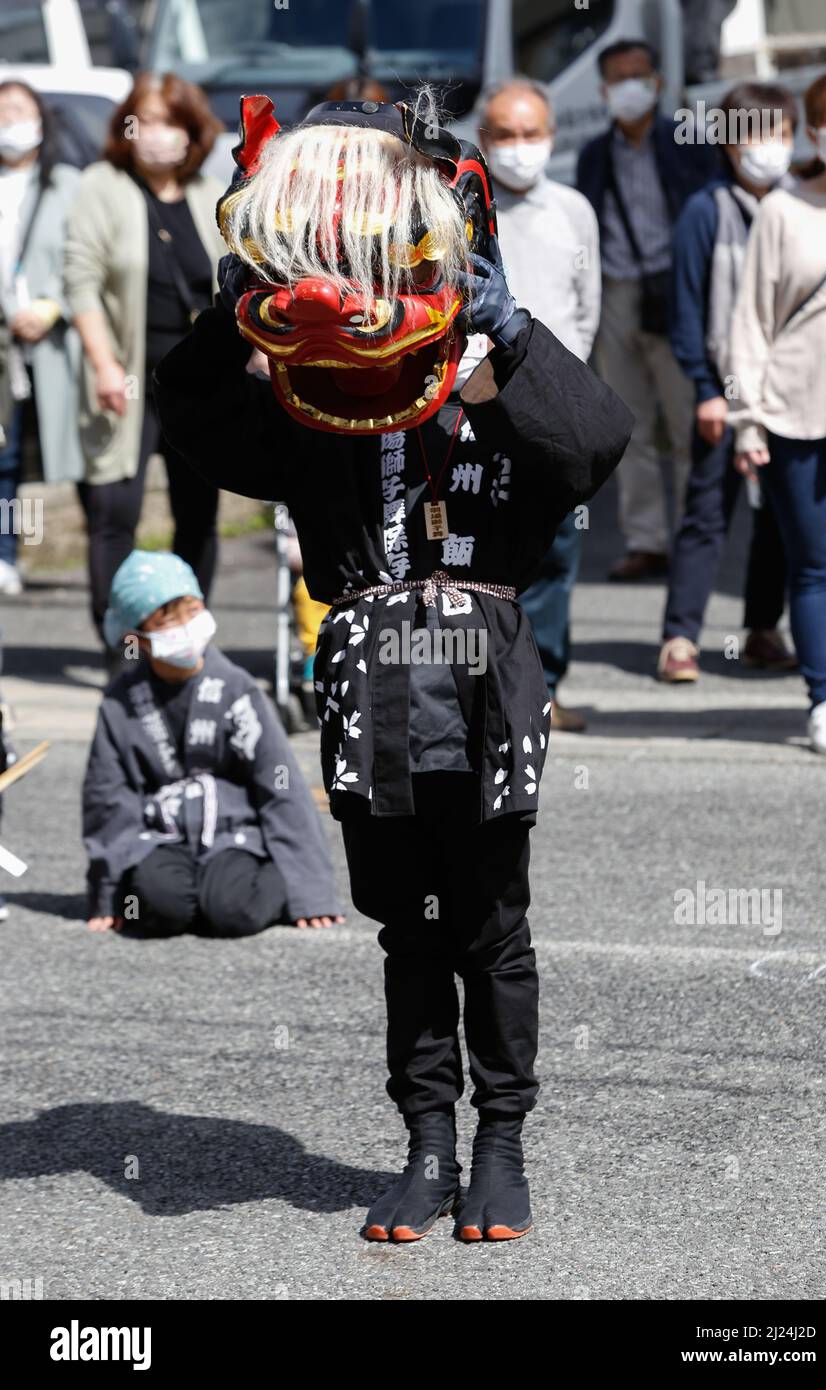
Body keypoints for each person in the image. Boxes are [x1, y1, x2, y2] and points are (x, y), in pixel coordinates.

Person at [154, 92, 633, 1242]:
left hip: (483, 672)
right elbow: (195, 424)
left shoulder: (496, 371)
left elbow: (594, 445)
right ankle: (425, 1142)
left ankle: (500, 1139)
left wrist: (501, 336)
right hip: (370, 673)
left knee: (489, 919)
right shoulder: (315, 393)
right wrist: (240, 306)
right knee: (407, 923)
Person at [83, 549, 344, 935]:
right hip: (161, 835)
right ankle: (179, 891)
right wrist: (107, 892)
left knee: (232, 911)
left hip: (235, 834)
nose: (186, 626)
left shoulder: (237, 690)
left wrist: (312, 892)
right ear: (135, 638)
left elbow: (280, 784)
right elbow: (108, 796)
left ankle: (268, 878)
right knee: (158, 907)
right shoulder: (120, 702)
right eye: (169, 620)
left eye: (192, 610)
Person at [728, 70, 826, 756]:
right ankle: (822, 699)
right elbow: (750, 319)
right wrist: (746, 417)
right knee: (812, 565)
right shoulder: (783, 209)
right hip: (792, 413)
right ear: (814, 131)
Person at [64, 73, 226, 651]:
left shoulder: (210, 193)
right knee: (115, 511)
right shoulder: (101, 186)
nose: (158, 135)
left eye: (171, 123)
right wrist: (105, 365)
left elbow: (235, 284)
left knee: (198, 512)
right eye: (146, 122)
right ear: (127, 128)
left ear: (193, 133)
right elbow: (79, 281)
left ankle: (183, 634)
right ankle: (123, 644)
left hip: (198, 385)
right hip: (126, 380)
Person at [657, 82, 799, 682]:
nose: (771, 147)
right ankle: (680, 639)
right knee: (708, 512)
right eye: (757, 134)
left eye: (781, 133)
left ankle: (764, 629)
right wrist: (706, 389)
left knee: (783, 515)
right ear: (729, 144)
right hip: (725, 388)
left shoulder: (801, 205)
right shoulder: (706, 210)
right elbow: (686, 308)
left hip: (793, 392)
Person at [479, 77, 600, 731]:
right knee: (485, 548)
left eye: (531, 135)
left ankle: (543, 687)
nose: (520, 148)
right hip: (477, 404)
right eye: (506, 135)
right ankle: (490, 686)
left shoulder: (574, 210)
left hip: (555, 410)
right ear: (484, 139)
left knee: (557, 551)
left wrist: (569, 387)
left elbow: (587, 308)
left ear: (551, 136)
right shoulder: (463, 207)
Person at [578, 38, 718, 581]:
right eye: (620, 78)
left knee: (687, 423)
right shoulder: (594, 152)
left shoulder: (687, 141)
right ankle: (646, 540)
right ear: (604, 91)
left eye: (640, 75)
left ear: (657, 82)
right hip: (617, 293)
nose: (631, 87)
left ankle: (692, 536)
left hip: (678, 293)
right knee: (628, 424)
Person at [0, 80, 83, 595]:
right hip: (4, 340)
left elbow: (83, 257)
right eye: (1, 110)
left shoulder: (69, 183)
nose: (10, 119)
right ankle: (6, 555)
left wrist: (53, 305)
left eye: (19, 109)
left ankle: (103, 552)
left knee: (68, 447)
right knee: (5, 453)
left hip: (56, 339)